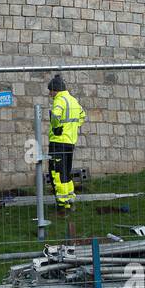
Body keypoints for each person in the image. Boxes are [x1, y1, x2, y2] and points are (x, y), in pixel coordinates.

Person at [47, 74, 86, 213]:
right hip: (70, 142)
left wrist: (57, 127)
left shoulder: (59, 100)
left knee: (57, 173)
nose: (50, 94)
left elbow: (56, 115)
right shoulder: (73, 100)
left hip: (58, 142)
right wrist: (73, 127)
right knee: (66, 172)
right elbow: (82, 115)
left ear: (55, 90)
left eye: (50, 91)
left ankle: (62, 204)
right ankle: (70, 198)